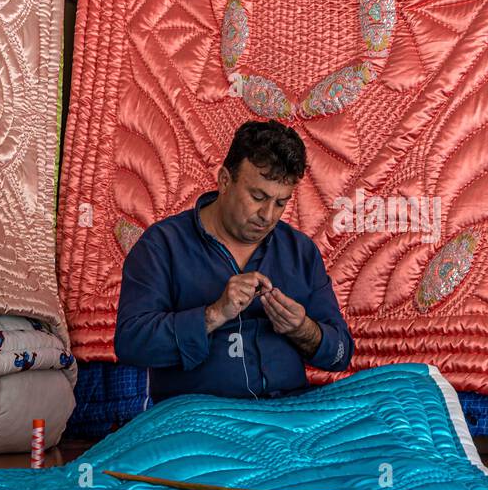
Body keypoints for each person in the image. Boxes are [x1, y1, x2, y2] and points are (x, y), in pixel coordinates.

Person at [115, 119, 353, 401]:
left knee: (402, 397)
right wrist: (213, 314)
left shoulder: (300, 251)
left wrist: (302, 329)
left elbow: (340, 354)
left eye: (280, 203)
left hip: (288, 416)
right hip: (200, 420)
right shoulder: (162, 245)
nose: (268, 215)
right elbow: (131, 343)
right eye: (257, 197)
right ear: (225, 180)